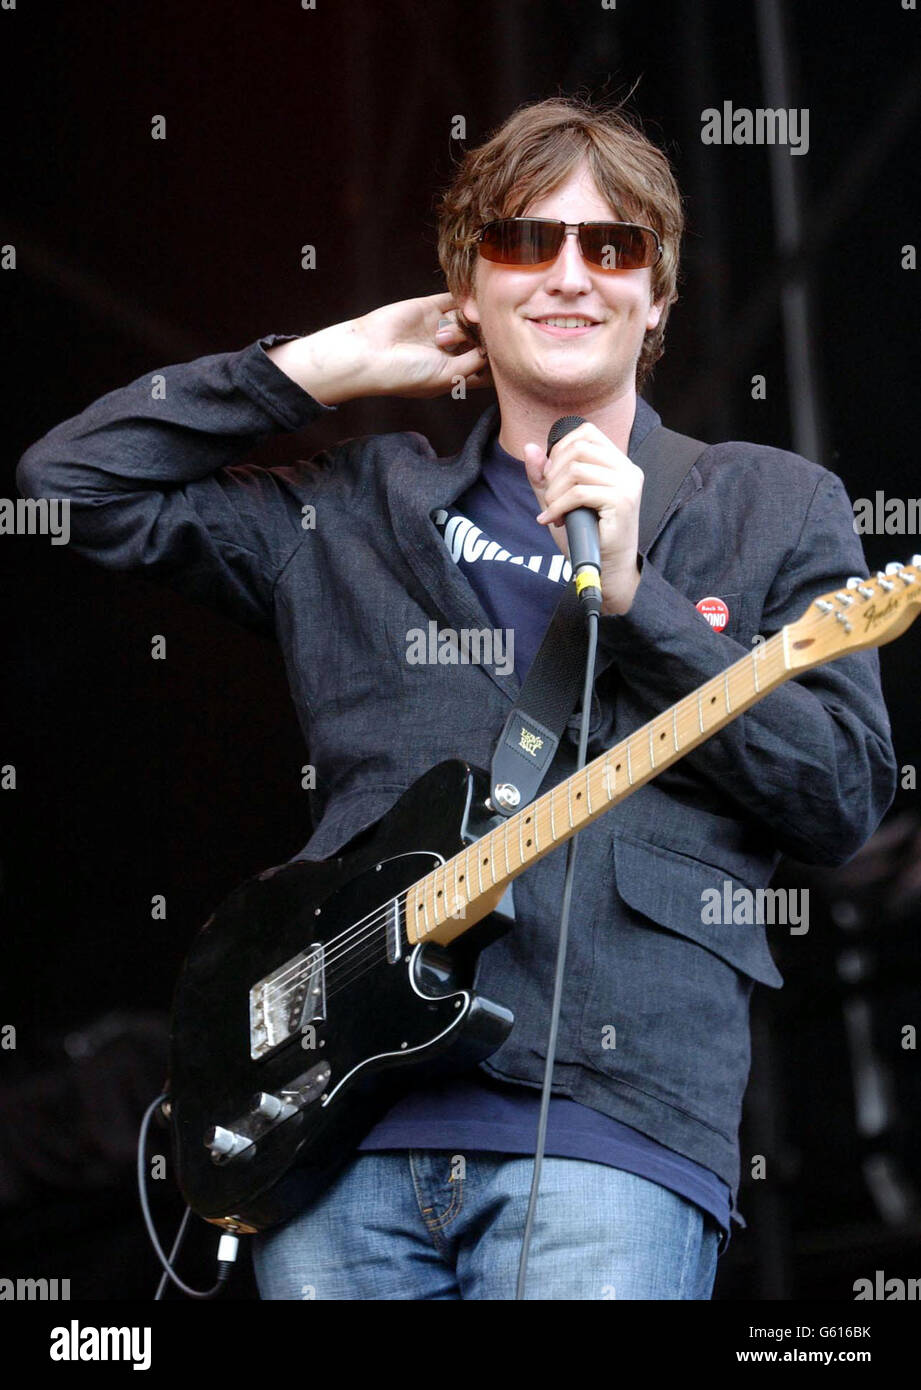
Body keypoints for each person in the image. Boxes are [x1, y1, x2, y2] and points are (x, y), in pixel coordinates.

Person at [16, 96, 896, 1300]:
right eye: (525, 242)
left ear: (659, 295)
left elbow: (842, 792)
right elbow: (67, 487)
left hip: (613, 1125)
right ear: (467, 289)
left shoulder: (772, 506)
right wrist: (319, 367)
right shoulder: (354, 505)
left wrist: (639, 600)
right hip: (337, 1146)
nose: (570, 273)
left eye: (612, 245)